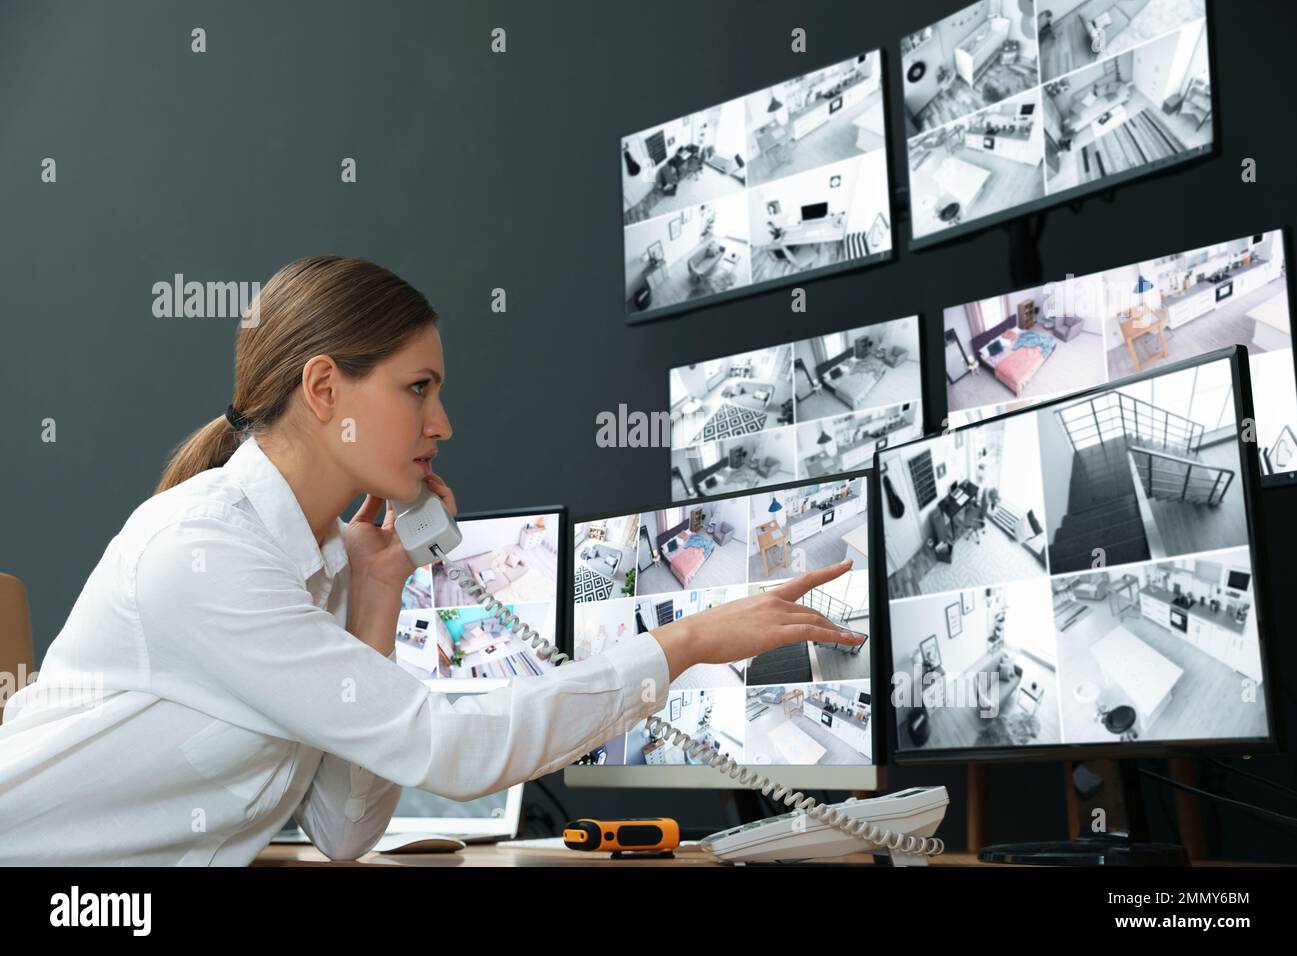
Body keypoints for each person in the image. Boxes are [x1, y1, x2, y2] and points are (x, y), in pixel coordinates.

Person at [0, 255, 863, 865]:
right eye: (419, 388)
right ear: (325, 390)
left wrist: (376, 591)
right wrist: (681, 643)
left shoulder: (323, 565)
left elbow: (343, 831)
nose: (442, 422)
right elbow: (451, 749)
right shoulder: (202, 552)